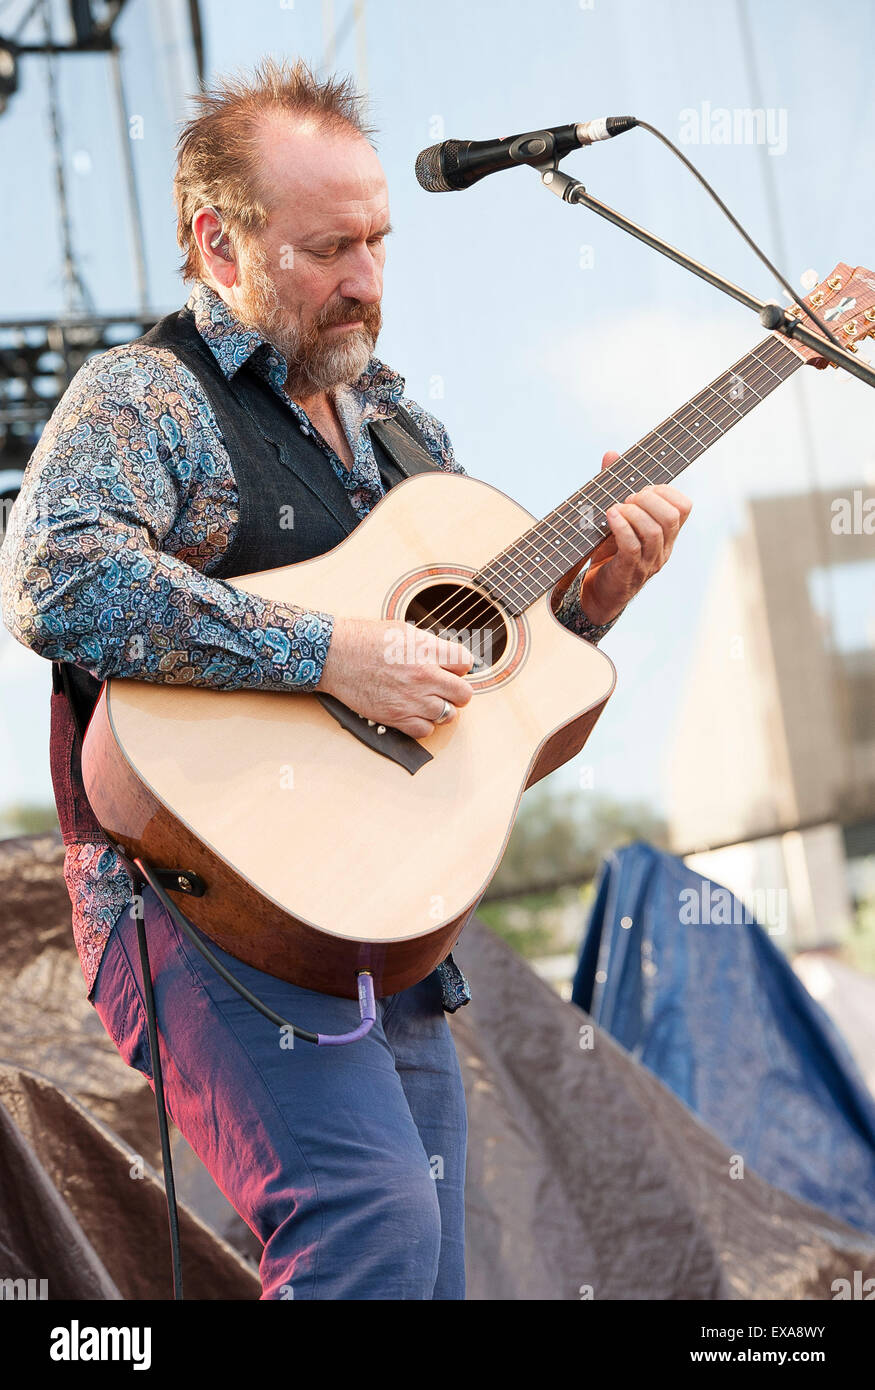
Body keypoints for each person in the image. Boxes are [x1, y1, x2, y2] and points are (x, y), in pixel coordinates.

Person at [0, 57, 691, 1300]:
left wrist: (590, 600)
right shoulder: (150, 395)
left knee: (423, 1259)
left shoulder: (395, 424)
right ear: (220, 242)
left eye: (377, 241)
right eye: (328, 248)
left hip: (377, 900)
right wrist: (329, 652)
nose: (365, 278)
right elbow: (53, 577)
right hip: (194, 887)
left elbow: (478, 657)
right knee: (364, 1219)